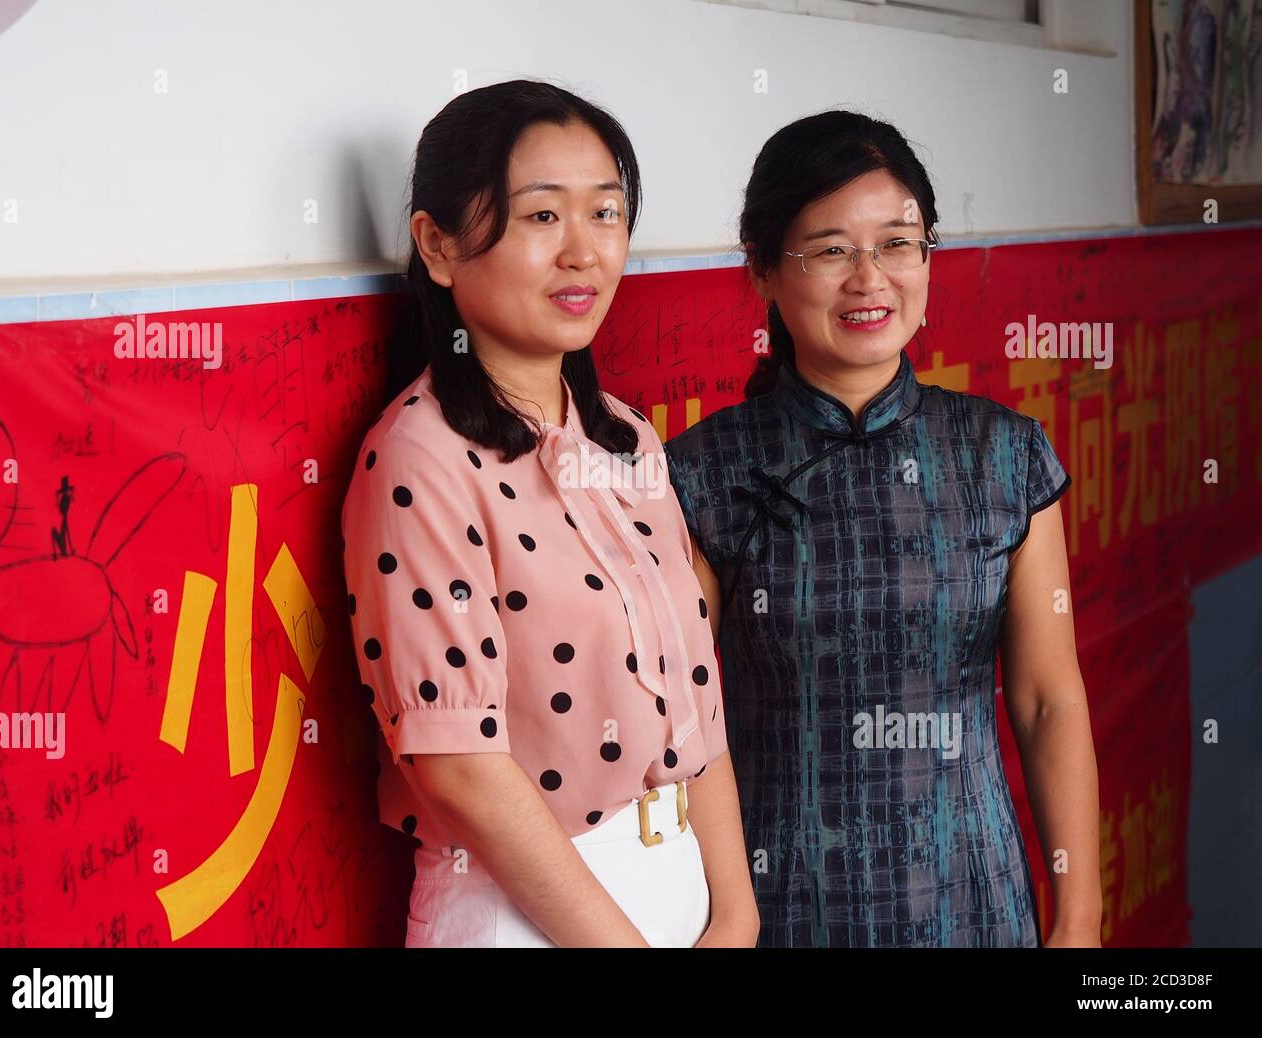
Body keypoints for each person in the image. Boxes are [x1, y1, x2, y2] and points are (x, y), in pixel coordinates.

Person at [664, 110, 1102, 948]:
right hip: (780, 906)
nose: (870, 278)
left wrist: (1076, 921)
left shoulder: (1005, 458)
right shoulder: (701, 474)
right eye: (830, 250)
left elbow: (1048, 702)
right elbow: (683, 727)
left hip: (972, 899)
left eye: (898, 243)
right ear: (762, 270)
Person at [341, 80, 758, 948]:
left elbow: (696, 694)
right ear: (439, 244)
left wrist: (736, 912)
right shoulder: (422, 458)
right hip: (527, 915)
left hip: (680, 883)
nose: (584, 252)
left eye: (605, 213)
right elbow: (459, 766)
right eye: (542, 217)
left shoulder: (627, 438)